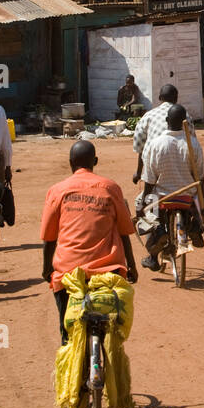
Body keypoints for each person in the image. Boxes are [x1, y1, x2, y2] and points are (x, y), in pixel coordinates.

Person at [41, 140, 138, 344]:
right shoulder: (111, 188)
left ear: (70, 162)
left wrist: (46, 269)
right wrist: (131, 265)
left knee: (68, 336)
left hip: (68, 274)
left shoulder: (57, 190)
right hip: (108, 272)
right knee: (112, 332)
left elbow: (49, 239)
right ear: (95, 161)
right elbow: (124, 232)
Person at [137, 103, 204, 271]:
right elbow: (200, 178)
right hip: (187, 197)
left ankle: (157, 234)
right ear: (186, 122)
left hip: (163, 197)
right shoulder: (193, 145)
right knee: (194, 200)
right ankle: (194, 224)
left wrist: (143, 203)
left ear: (167, 120)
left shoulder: (156, 144)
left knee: (144, 206)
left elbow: (149, 179)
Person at [131, 84, 201, 184]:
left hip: (154, 168)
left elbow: (140, 147)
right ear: (176, 98)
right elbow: (192, 143)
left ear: (159, 98)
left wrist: (138, 173)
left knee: (142, 199)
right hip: (181, 168)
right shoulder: (185, 115)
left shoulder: (148, 116)